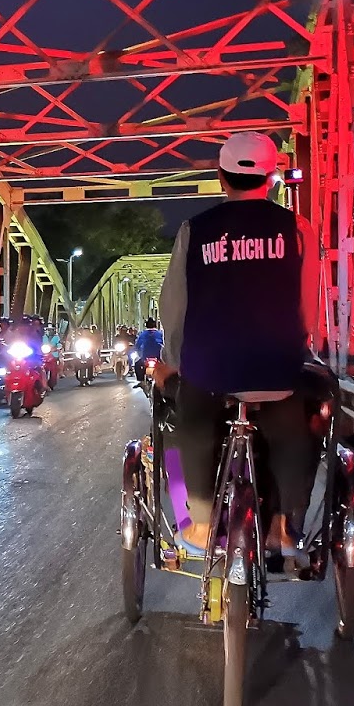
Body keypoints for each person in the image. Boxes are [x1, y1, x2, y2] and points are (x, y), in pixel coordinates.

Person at [154, 131, 322, 564]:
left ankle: (204, 522)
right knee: (293, 429)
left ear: (219, 178)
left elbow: (173, 303)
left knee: (190, 422)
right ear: (273, 177)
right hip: (277, 369)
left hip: (210, 369)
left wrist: (172, 361)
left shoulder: (195, 230)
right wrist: (301, 349)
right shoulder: (297, 229)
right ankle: (283, 529)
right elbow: (310, 305)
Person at [134, 317, 163, 381]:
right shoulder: (159, 334)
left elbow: (138, 345)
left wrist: (137, 351)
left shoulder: (142, 334)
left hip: (145, 356)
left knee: (137, 364)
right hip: (158, 357)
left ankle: (140, 380)